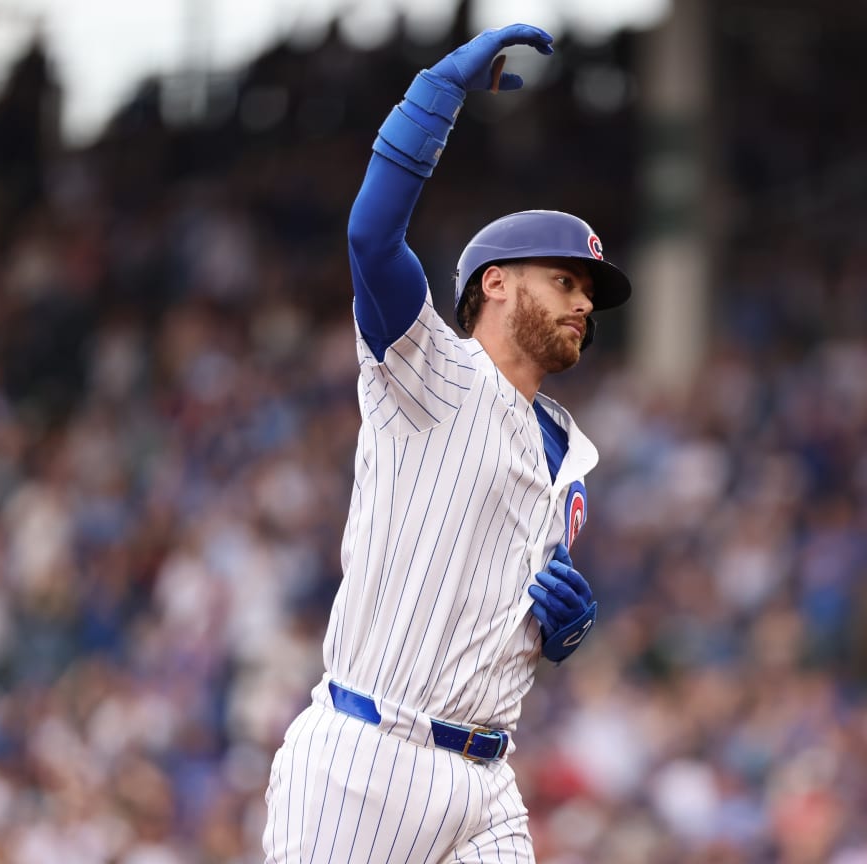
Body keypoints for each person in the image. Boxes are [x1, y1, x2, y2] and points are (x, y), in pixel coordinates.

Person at [261, 23, 633, 863]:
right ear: (494, 283)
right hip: (366, 761)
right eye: (564, 281)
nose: (583, 303)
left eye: (587, 292)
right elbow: (371, 239)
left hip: (486, 781)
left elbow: (494, 615)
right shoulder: (431, 371)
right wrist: (434, 95)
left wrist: (562, 633)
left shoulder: (573, 455)